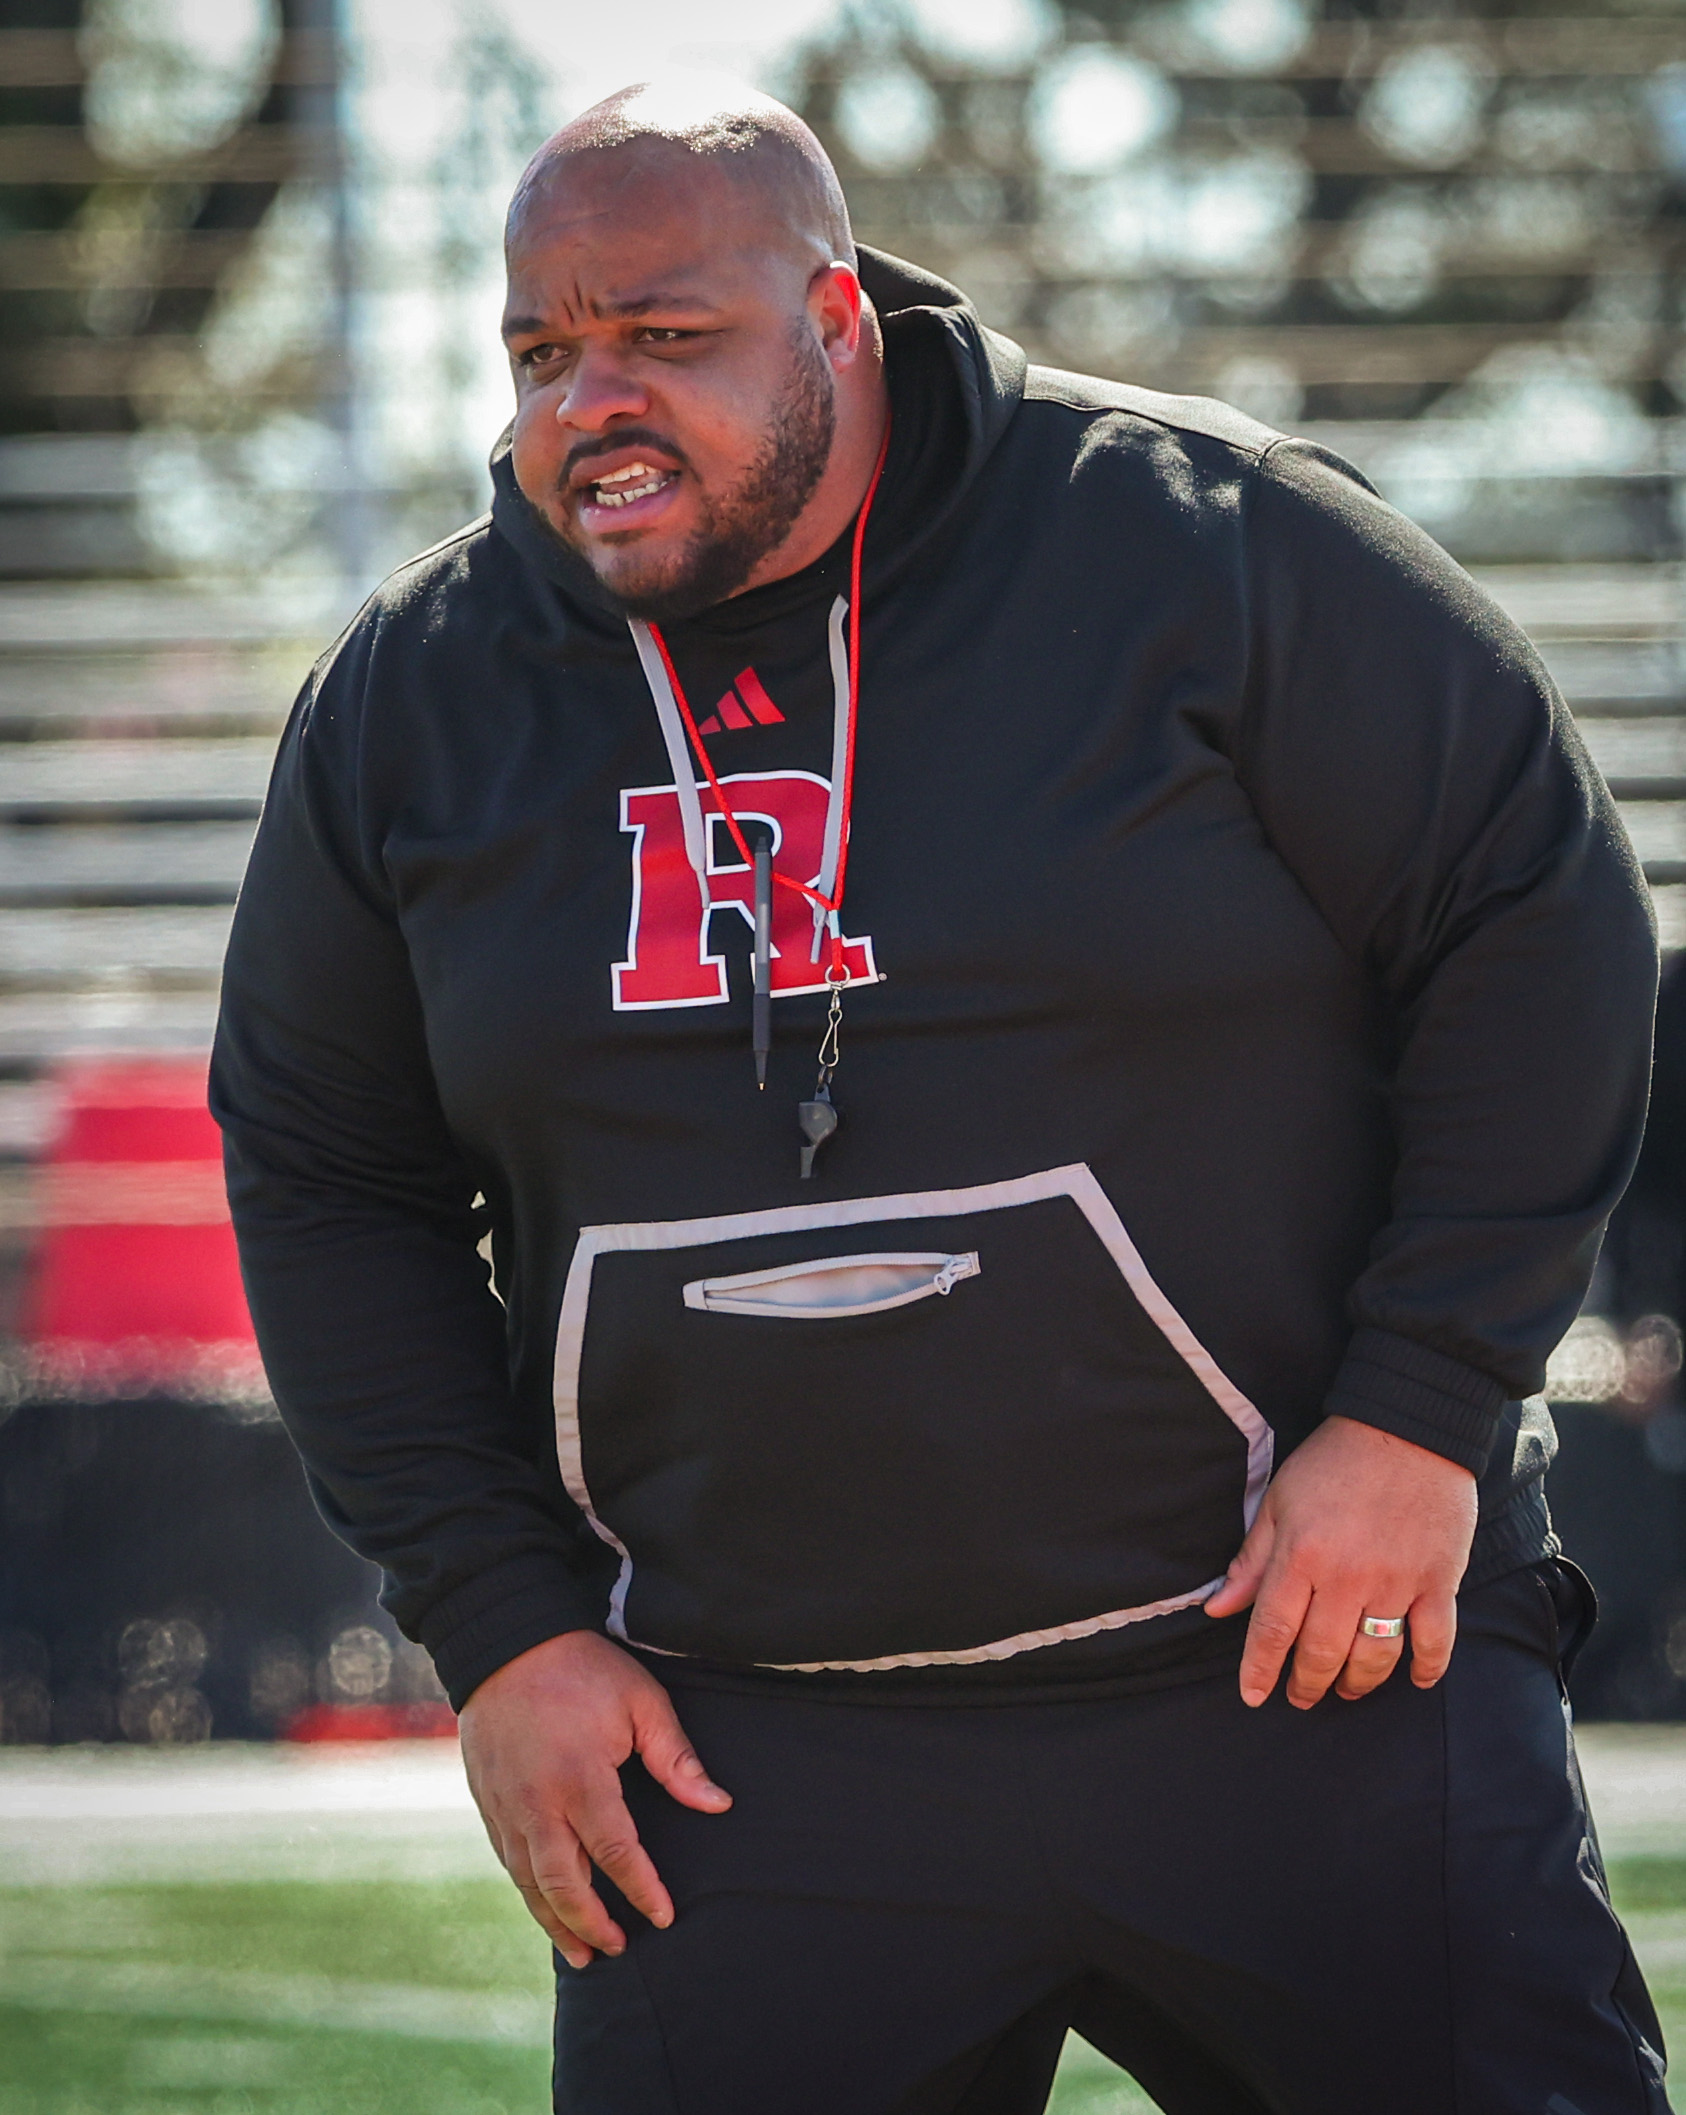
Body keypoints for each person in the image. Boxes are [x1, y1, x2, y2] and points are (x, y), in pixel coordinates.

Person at [211, 78, 1667, 2115]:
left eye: (663, 334)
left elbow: (1538, 905)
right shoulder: (410, 697)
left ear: (833, 320)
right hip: (741, 1743)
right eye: (541, 348)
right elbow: (322, 1170)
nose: (588, 400)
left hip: (1291, 1671)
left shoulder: (1199, 544)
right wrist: (500, 1624)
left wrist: (1423, 1398)